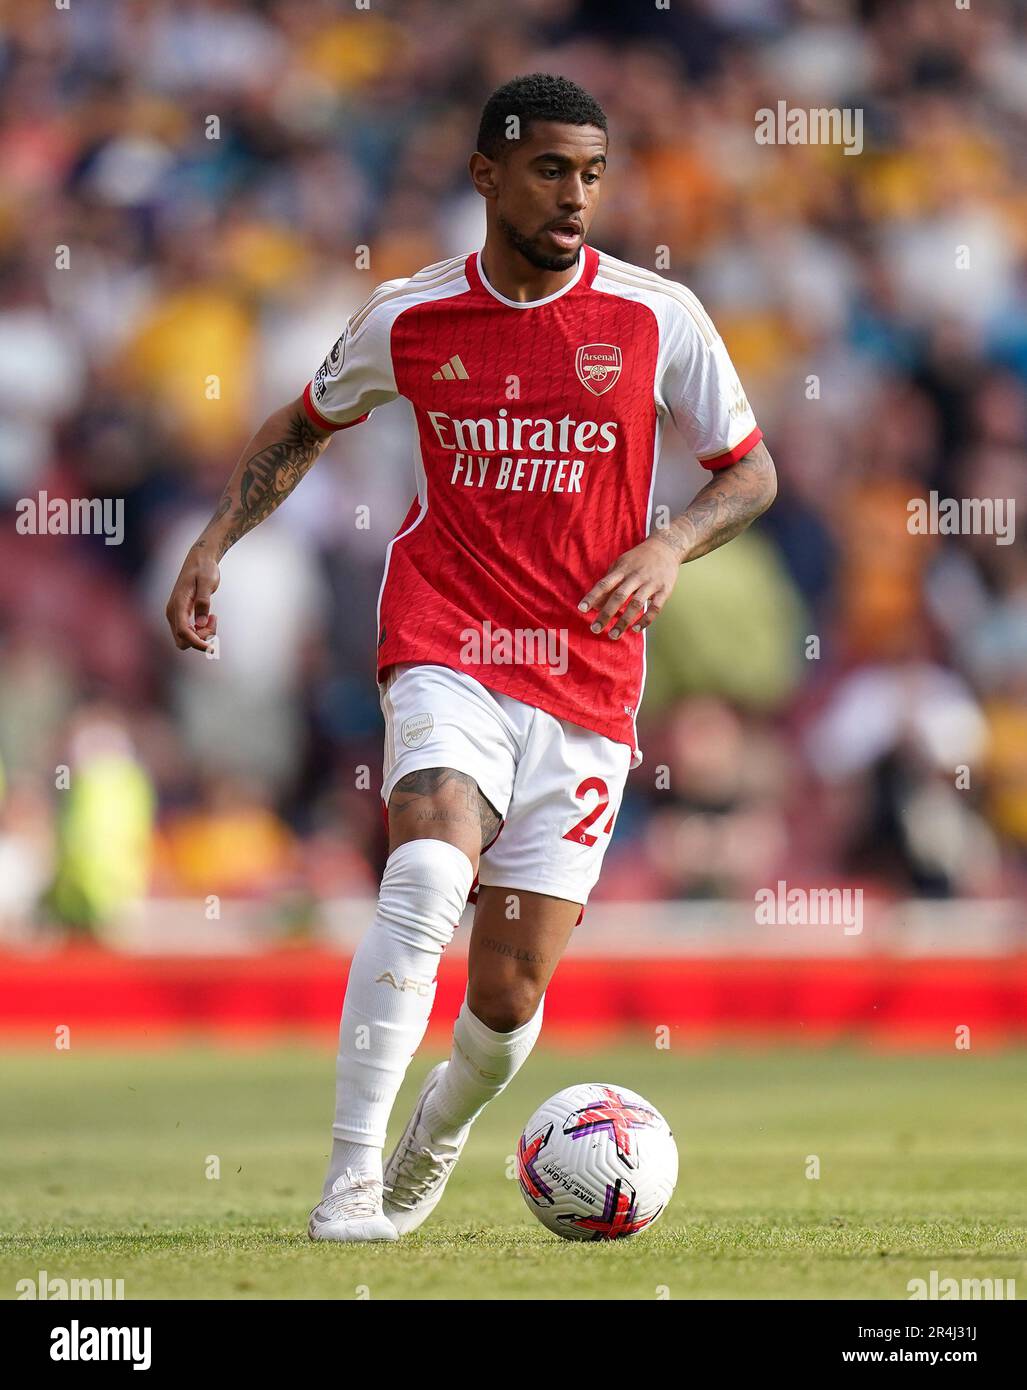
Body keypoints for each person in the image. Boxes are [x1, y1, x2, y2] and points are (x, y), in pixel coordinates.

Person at [164, 73, 776, 1242]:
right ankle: (348, 1179)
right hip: (447, 639)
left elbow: (749, 470)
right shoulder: (412, 316)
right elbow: (301, 423)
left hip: (587, 676)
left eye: (593, 173)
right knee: (429, 866)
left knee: (503, 1001)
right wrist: (210, 544)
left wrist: (668, 539)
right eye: (552, 169)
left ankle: (436, 1133)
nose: (576, 196)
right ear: (486, 174)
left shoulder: (657, 315)